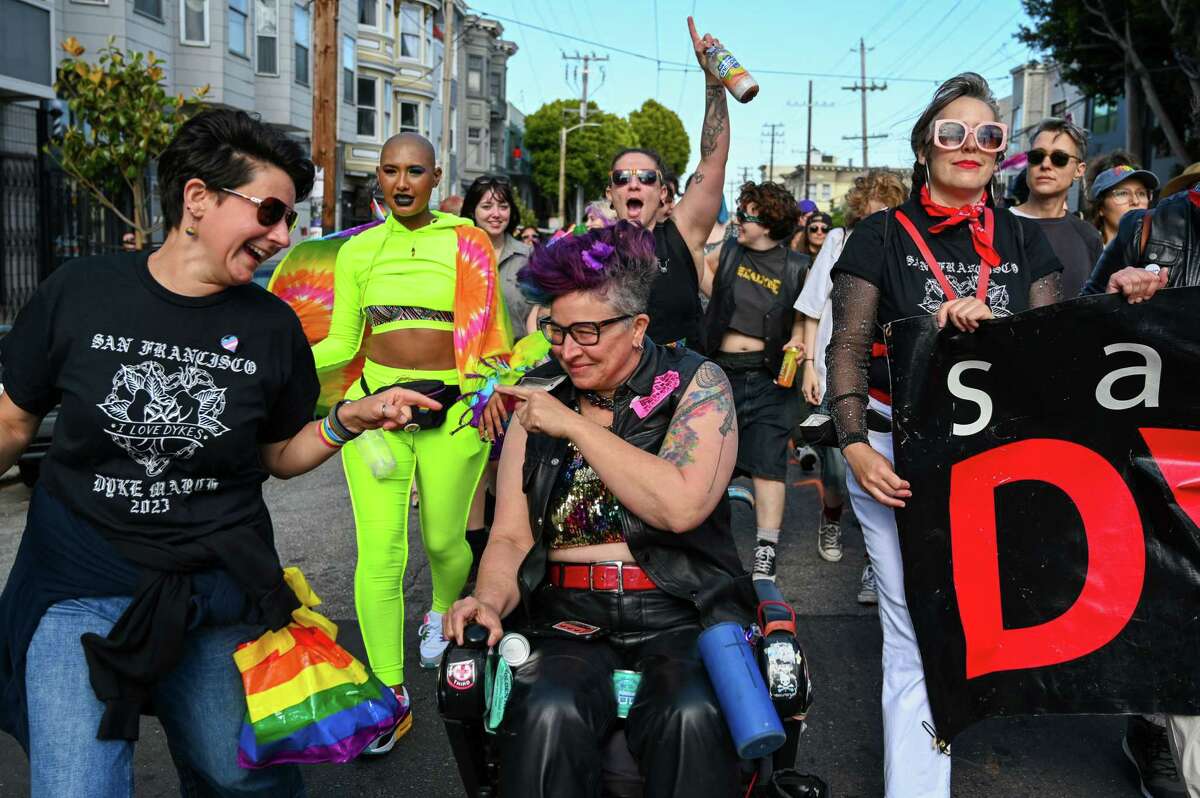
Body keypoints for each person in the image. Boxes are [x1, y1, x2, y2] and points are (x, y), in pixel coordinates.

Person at [0, 109, 442, 796]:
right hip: (78, 583)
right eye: (269, 211)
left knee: (242, 781)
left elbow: (277, 455)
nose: (282, 237)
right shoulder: (81, 292)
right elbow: (11, 423)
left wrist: (348, 420)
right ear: (198, 199)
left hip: (214, 588)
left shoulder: (270, 327)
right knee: (75, 787)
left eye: (289, 219)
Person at [444, 221, 753, 798]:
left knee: (691, 715)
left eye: (586, 332)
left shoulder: (695, 384)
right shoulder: (538, 397)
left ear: (637, 327)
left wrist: (575, 428)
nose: (568, 349)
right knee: (547, 713)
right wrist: (486, 600)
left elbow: (682, 506)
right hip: (565, 612)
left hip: (680, 609)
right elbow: (510, 537)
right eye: (558, 332)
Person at [827, 73, 1062, 797]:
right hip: (897, 451)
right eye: (952, 133)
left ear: (1001, 152)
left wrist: (1014, 332)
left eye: (987, 134)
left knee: (972, 629)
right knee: (913, 634)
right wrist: (857, 446)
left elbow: (1051, 354)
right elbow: (846, 346)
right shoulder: (881, 234)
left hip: (994, 459)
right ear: (924, 146)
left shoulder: (1029, 239)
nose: (970, 146)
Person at [311, 132, 512, 753]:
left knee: (445, 542)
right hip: (377, 413)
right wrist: (275, 361)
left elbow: (492, 335)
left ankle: (441, 610)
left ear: (435, 176)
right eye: (391, 171)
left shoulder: (466, 240)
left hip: (455, 413)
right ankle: (390, 695)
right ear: (378, 176)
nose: (402, 183)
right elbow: (344, 342)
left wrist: (492, 393)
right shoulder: (358, 251)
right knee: (380, 554)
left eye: (415, 171)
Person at [1084, 157, 1200, 798]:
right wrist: (1119, 296)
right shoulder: (1153, 229)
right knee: (1177, 602)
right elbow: (1075, 333)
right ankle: (1153, 730)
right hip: (1167, 456)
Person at [795, 169, 907, 602]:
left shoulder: (906, 245)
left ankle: (871, 567)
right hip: (836, 367)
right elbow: (809, 307)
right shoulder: (840, 241)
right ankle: (831, 515)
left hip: (889, 377)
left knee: (890, 473)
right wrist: (809, 364)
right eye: (869, 214)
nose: (876, 223)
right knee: (840, 468)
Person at [699, 181, 808, 581]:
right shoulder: (726, 254)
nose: (739, 222)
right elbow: (700, 266)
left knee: (768, 464)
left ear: (769, 223)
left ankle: (766, 549)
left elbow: (803, 316)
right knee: (711, 459)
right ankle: (706, 542)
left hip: (769, 375)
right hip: (721, 370)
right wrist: (719, 304)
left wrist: (800, 344)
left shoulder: (796, 266)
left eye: (747, 216)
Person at [606, 16, 731, 351]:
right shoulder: (590, 251)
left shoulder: (681, 235)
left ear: (662, 193)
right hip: (614, 393)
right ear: (610, 193)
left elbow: (712, 160)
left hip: (684, 391)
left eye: (646, 178)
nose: (634, 186)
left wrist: (713, 80)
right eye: (622, 178)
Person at [460, 175, 537, 575]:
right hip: (468, 380)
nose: (495, 213)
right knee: (474, 464)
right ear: (472, 210)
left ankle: (504, 543)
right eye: (487, 205)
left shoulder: (527, 258)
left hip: (516, 380)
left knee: (503, 464)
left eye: (503, 206)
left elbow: (538, 318)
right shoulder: (458, 252)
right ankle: (474, 553)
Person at [1010, 117, 1103, 297]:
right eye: (1037, 156)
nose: (1045, 165)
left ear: (1079, 170)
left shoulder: (1089, 236)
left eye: (1059, 158)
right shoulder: (996, 226)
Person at [1086, 156, 1158, 245]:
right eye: (1122, 193)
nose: (1135, 201)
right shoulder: (1083, 252)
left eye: (1141, 193)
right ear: (1100, 207)